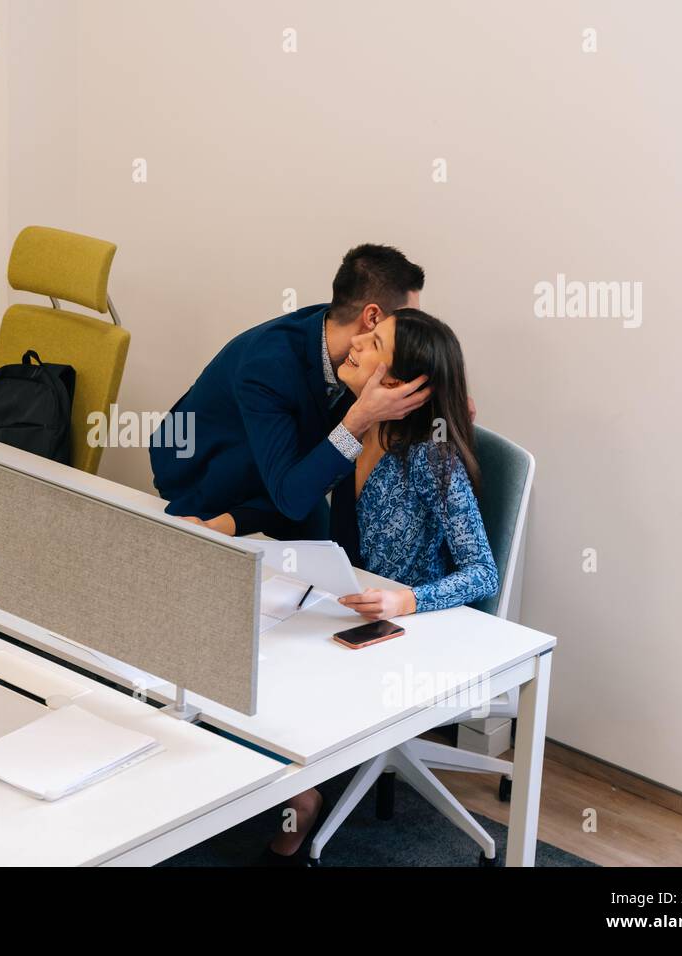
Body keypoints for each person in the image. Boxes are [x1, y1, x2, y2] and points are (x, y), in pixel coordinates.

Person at [255, 307, 499, 863]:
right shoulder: (351, 424)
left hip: (406, 627)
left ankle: (304, 798)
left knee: (285, 669)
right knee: (249, 643)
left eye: (375, 341)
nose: (356, 343)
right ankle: (296, 787)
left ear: (400, 383)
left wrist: (408, 598)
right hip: (346, 604)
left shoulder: (431, 458)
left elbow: (484, 571)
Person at [149, 244, 431, 539]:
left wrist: (444, 395)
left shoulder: (351, 348)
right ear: (372, 318)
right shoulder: (268, 365)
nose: (411, 333)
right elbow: (291, 498)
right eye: (405, 322)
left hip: (286, 478)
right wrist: (358, 420)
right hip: (205, 480)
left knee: (329, 539)